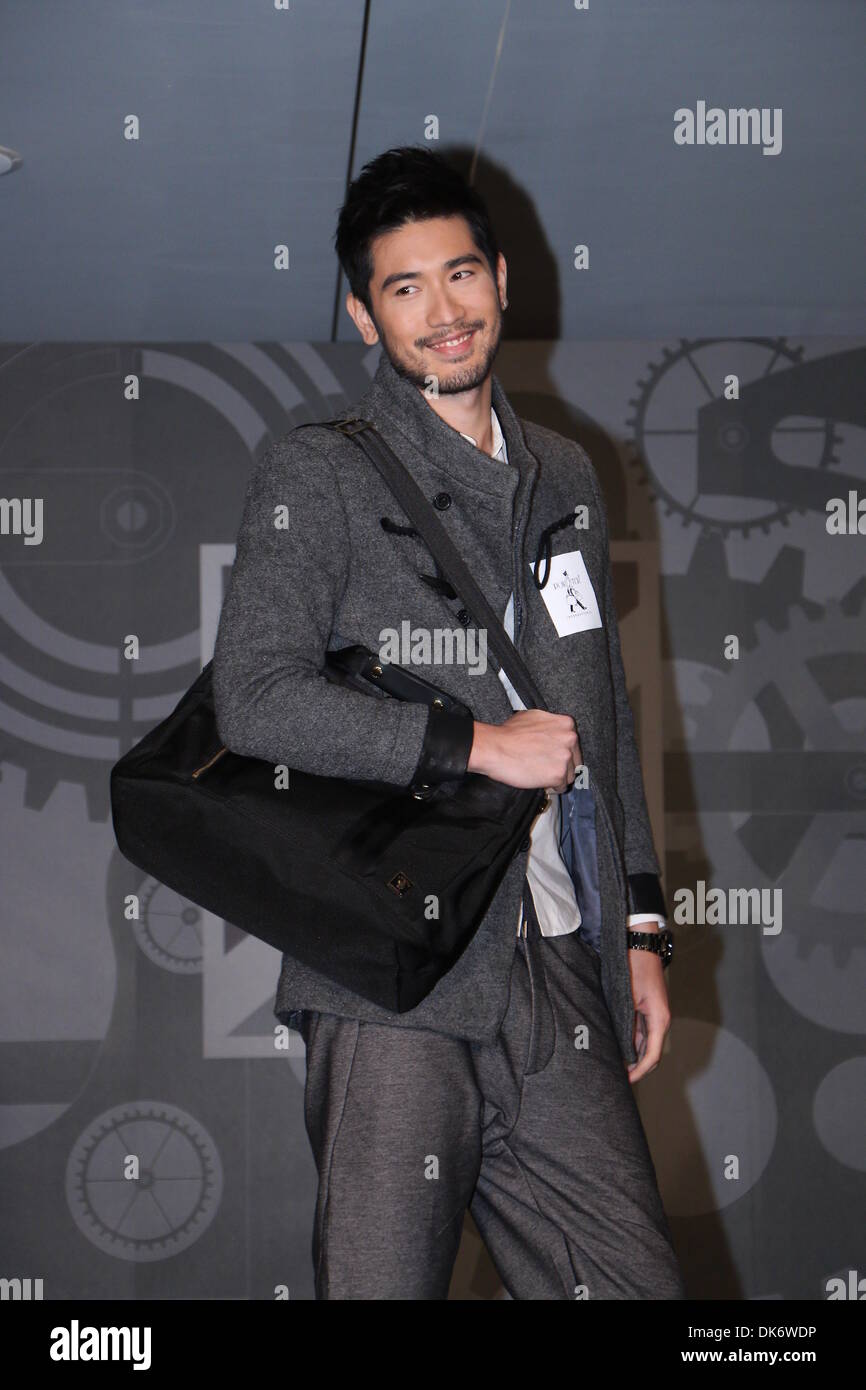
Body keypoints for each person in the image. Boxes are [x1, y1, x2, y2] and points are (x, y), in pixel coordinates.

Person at [212, 145, 685, 1300]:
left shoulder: (567, 471)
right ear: (364, 316)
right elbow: (255, 698)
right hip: (392, 966)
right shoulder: (318, 469)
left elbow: (597, 721)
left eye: (459, 274)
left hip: (557, 960)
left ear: (503, 280)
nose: (442, 311)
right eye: (404, 287)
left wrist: (635, 928)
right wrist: (473, 746)